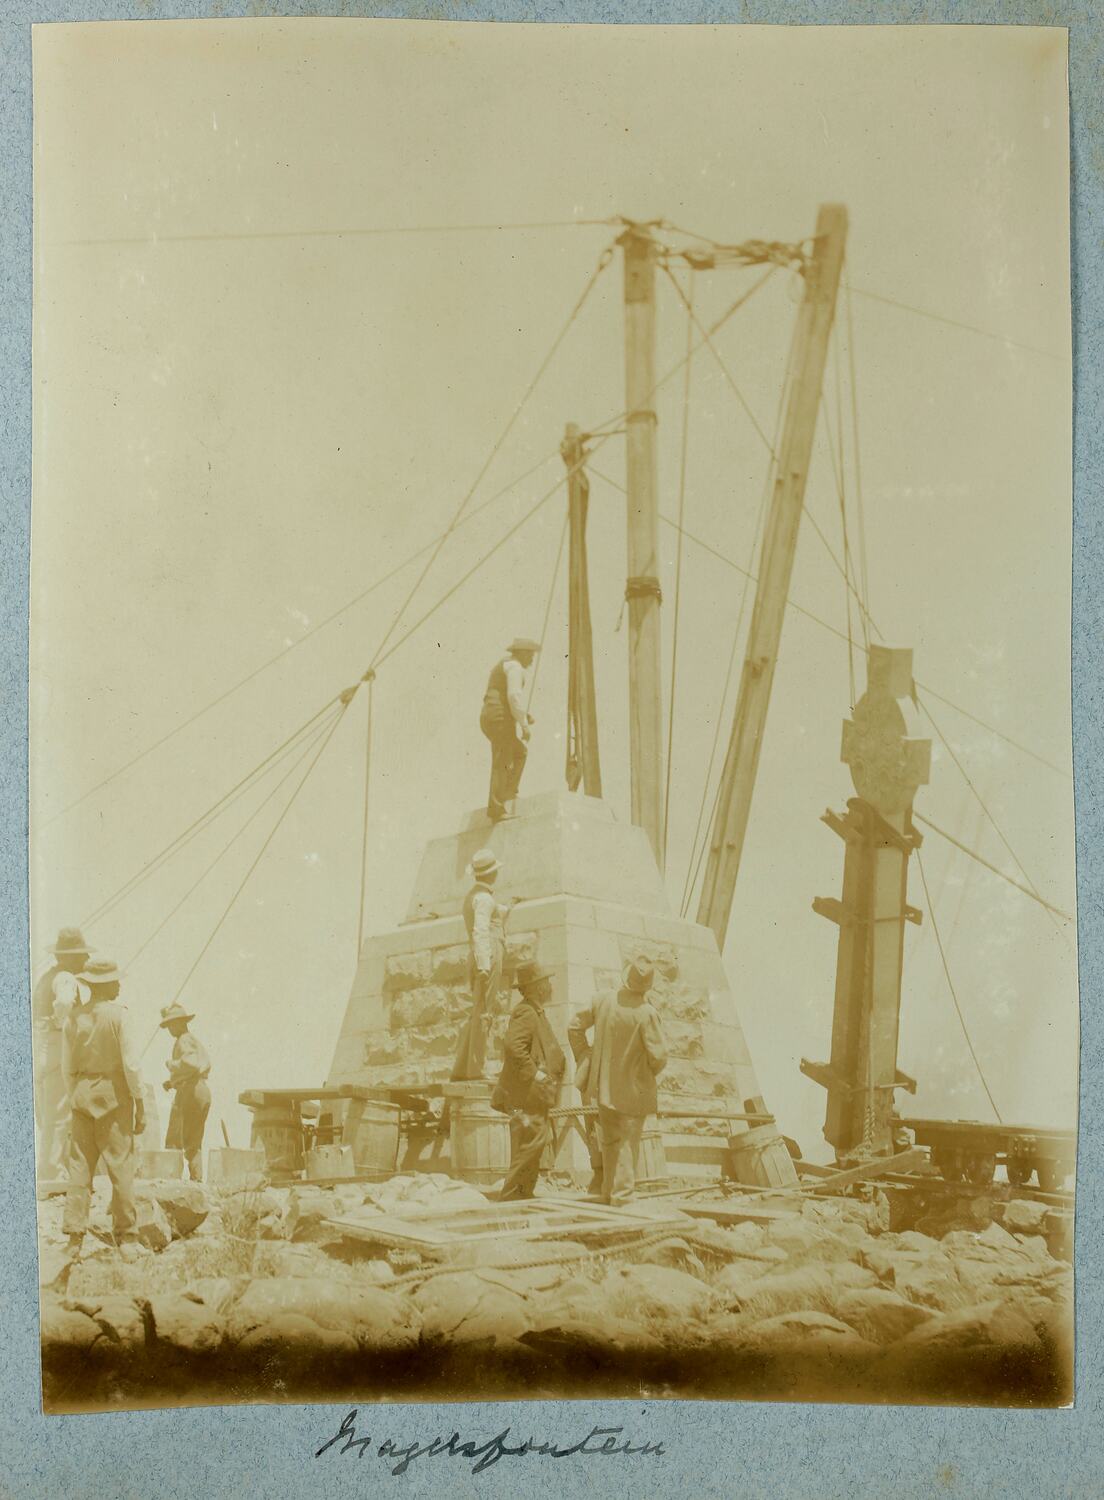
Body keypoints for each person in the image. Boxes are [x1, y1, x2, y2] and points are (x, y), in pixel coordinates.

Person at [61, 957, 146, 1260]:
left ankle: (74, 1238)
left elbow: (66, 1068)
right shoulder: (120, 1016)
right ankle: (128, 1239)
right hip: (113, 1094)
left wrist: (77, 1095)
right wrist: (139, 1101)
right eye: (115, 980)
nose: (119, 984)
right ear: (106, 984)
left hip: (82, 1093)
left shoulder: (73, 1018)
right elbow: (132, 1066)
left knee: (79, 1166)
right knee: (120, 1163)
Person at [568, 957, 668, 1207]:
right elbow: (659, 1057)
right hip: (634, 1093)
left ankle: (608, 1193)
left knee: (611, 1143)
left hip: (603, 1090)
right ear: (647, 986)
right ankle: (622, 1199)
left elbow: (573, 1026)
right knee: (626, 1144)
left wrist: (584, 1055)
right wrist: (646, 1074)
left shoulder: (603, 999)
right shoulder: (647, 1014)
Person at [492, 962, 566, 1201]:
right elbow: (513, 1046)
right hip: (525, 1094)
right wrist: (536, 1073)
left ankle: (524, 1195)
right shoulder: (526, 1011)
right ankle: (511, 1196)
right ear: (537, 987)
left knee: (535, 1142)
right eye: (546, 982)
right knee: (530, 1144)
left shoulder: (535, 1011)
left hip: (536, 1094)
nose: (550, 986)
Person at [32, 927, 92, 1184]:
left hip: (39, 1042)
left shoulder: (46, 977)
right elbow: (65, 1003)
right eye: (80, 955)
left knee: (45, 1109)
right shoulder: (66, 977)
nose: (85, 960)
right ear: (69, 957)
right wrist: (61, 1023)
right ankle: (51, 1171)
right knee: (58, 1110)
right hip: (56, 1043)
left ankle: (50, 1165)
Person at [451, 848, 509, 1081]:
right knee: (485, 1011)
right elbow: (481, 930)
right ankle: (477, 1068)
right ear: (491, 874)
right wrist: (485, 965)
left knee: (478, 1010)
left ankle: (465, 1067)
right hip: (488, 953)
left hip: (482, 952)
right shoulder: (484, 899)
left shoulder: (475, 897)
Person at [480, 637, 539, 821]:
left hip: (491, 716)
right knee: (503, 759)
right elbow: (513, 696)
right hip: (499, 718)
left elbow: (507, 698)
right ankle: (496, 809)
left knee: (519, 752)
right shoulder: (515, 667)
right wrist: (524, 725)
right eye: (529, 655)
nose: (531, 659)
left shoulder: (505, 665)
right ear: (521, 653)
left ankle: (507, 794)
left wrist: (523, 715)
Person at [160, 1002, 211, 1182]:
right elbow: (193, 1068)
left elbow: (191, 1063)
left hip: (191, 1090)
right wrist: (172, 1082)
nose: (169, 1029)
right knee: (193, 1138)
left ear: (181, 1023)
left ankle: (172, 1180)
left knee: (176, 1138)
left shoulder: (184, 1039)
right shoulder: (190, 1039)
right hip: (198, 1088)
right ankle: (196, 1179)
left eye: (172, 1024)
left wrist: (171, 1064)